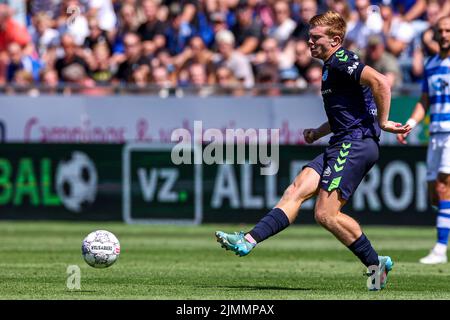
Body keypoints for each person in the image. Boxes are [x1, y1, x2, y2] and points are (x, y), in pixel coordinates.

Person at [215, 11, 411, 291]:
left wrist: (383, 121)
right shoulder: (331, 66)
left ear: (335, 40)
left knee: (325, 214)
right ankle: (248, 240)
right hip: (342, 140)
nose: (309, 42)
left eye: (315, 37)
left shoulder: (343, 59)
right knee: (296, 189)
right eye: (309, 36)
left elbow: (382, 82)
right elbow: (345, 113)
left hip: (355, 143)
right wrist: (317, 132)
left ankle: (374, 263)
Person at [397, 16, 450, 265]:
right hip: (435, 133)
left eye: (449, 30)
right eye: (441, 30)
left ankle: (440, 248)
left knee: (443, 186)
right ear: (435, 35)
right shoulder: (431, 64)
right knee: (434, 196)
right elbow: (425, 101)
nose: (445, 34)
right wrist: (412, 123)